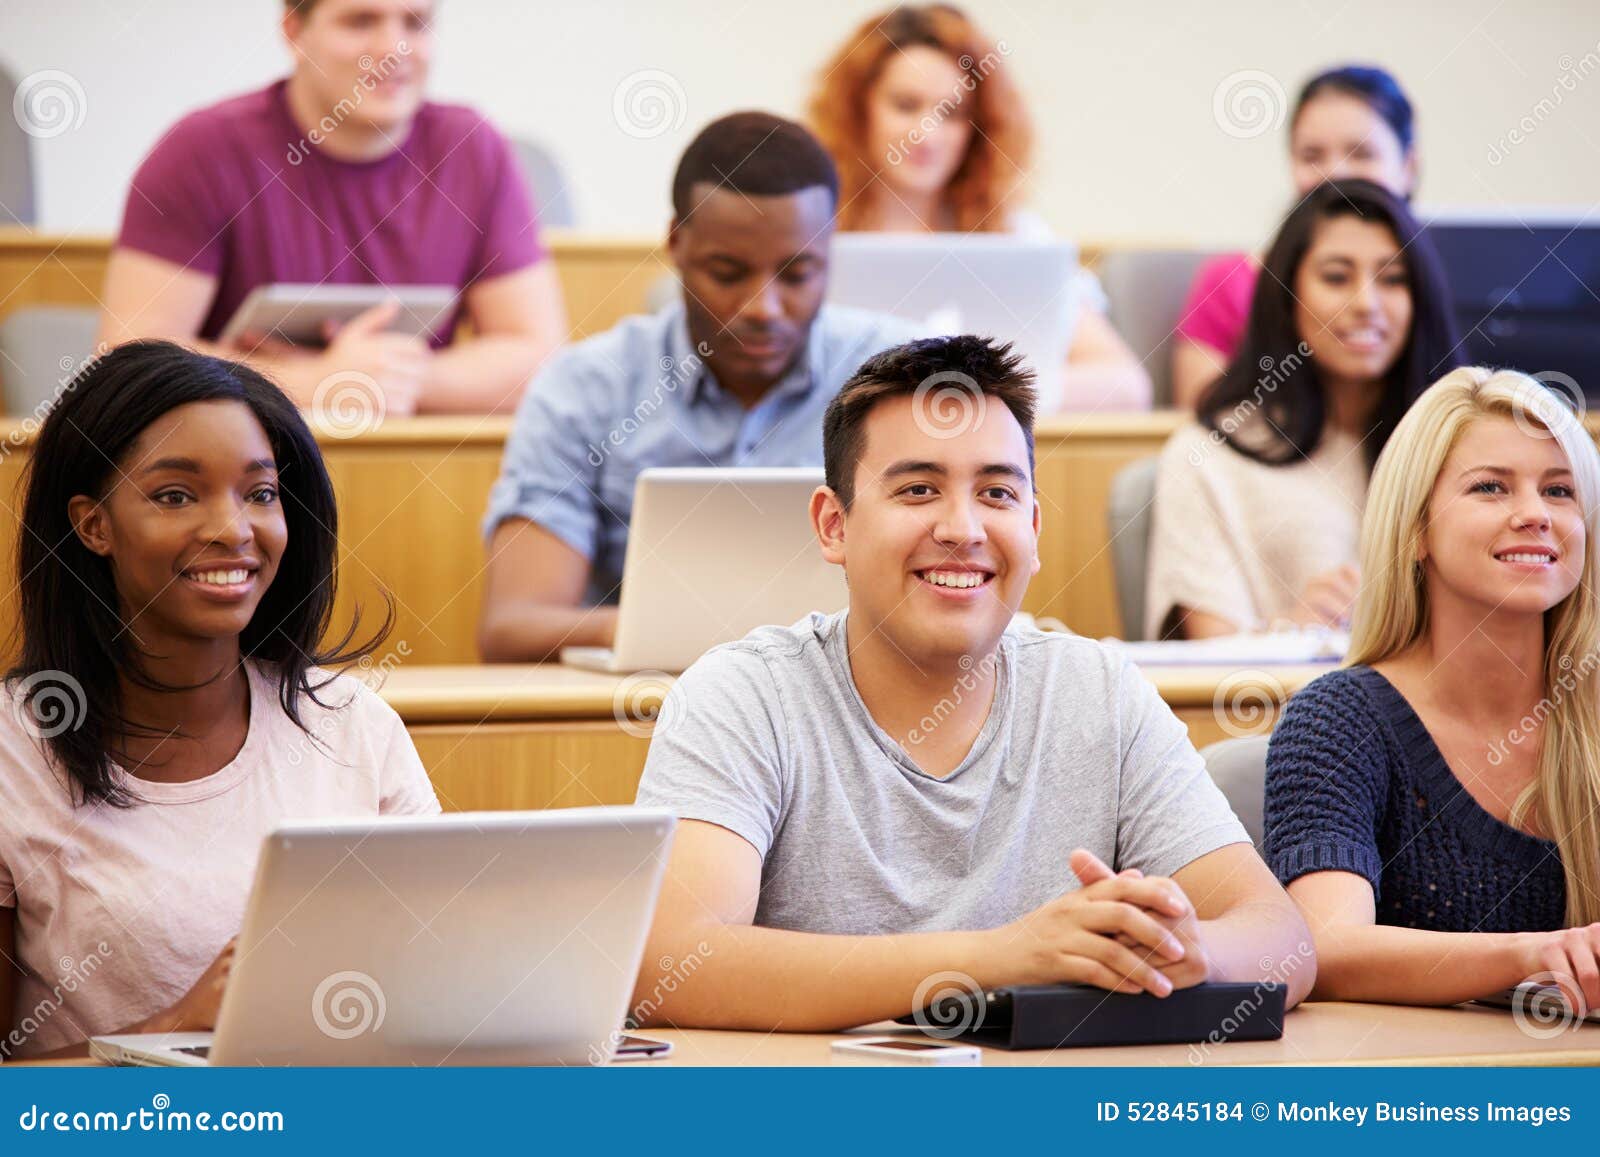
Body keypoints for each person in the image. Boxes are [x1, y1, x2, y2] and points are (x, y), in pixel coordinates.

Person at [629, 335, 1314, 1031]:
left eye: (996, 493)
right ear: (834, 525)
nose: (962, 528)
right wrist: (1002, 957)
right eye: (918, 489)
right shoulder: (742, 696)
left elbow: (1283, 940)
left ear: (1035, 528)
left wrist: (1190, 950)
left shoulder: (1100, 692)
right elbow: (671, 961)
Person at [0, 341, 440, 1060]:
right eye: (176, 495)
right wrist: (175, 1029)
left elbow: (438, 981)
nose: (233, 529)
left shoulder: (358, 726)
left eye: (260, 493)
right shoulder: (14, 753)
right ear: (93, 524)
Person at [478, 112, 920, 663]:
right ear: (676, 244)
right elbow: (514, 626)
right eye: (728, 272)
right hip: (649, 709)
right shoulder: (583, 389)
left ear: (831, 250)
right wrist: (685, 634)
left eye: (798, 274)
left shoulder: (901, 377)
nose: (764, 308)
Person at [1265, 367, 1600, 1011]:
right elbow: (1324, 947)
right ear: (1416, 529)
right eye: (1491, 488)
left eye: (1559, 491)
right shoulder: (1340, 720)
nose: (1534, 514)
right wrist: (1543, 955)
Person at [96, 0, 566, 415]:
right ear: (294, 31)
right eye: (360, 21)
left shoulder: (473, 149)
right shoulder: (201, 151)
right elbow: (127, 355)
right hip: (249, 476)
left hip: (407, 471)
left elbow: (540, 359)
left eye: (416, 23)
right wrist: (309, 383)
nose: (394, 48)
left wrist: (399, 378)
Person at [1145, 179, 1461, 640]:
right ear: (1286, 292)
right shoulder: (1206, 456)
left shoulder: (1461, 447)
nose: (1366, 304)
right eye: (1337, 277)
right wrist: (1293, 632)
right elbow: (1211, 664)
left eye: (1393, 279)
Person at [807, 4, 1150, 411]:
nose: (927, 133)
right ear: (858, 112)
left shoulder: (1017, 237)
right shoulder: (811, 231)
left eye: (951, 113)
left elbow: (1126, 385)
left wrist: (974, 397)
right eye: (905, 105)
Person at [1172, 65, 1419, 408]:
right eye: (1312, 156)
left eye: (1361, 154)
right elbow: (1209, 420)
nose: (1335, 175)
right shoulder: (1230, 281)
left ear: (1409, 167)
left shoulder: (1442, 280)